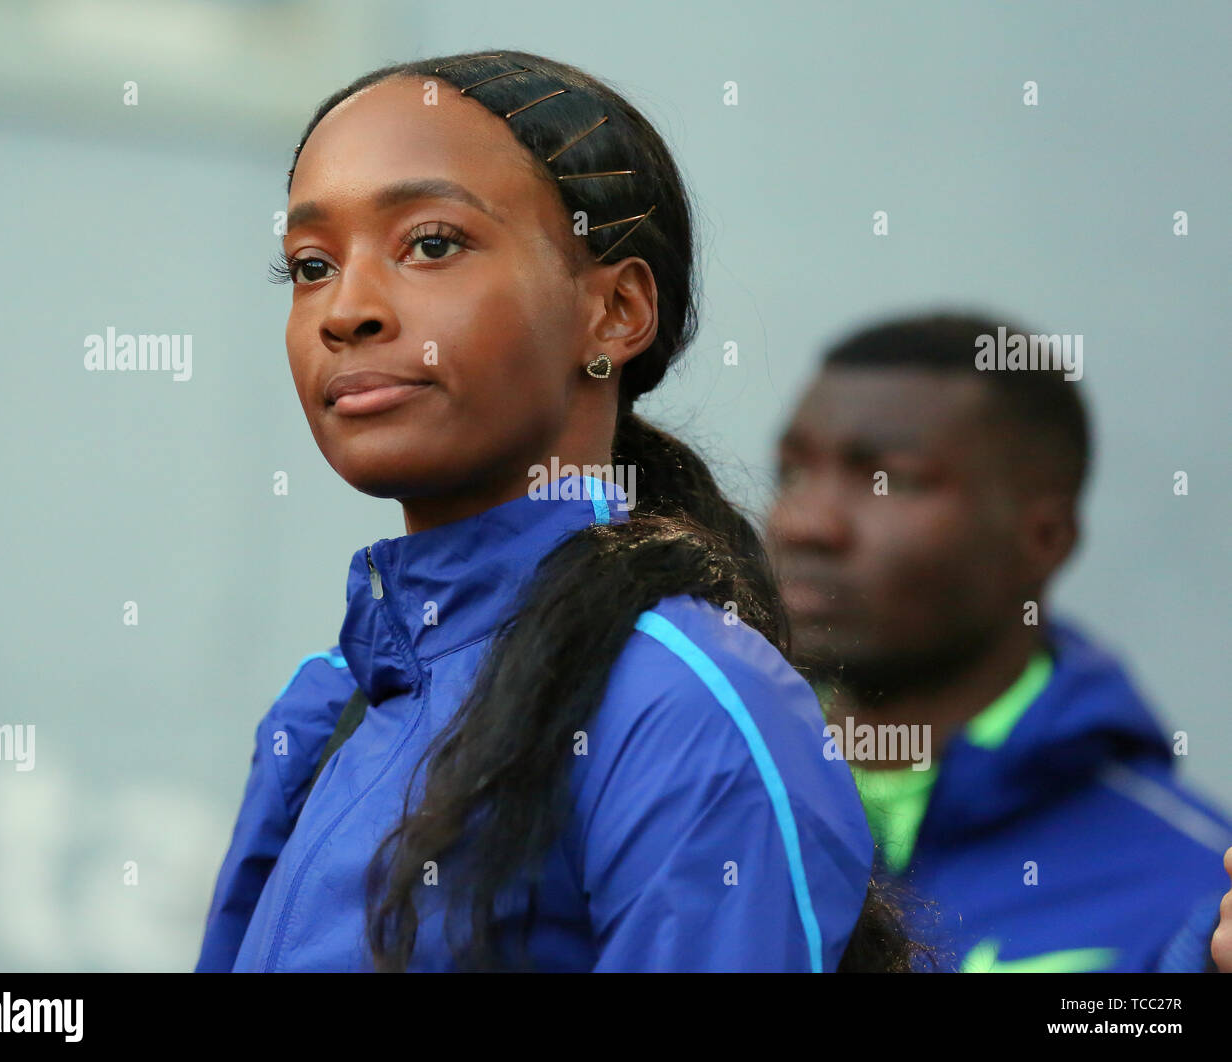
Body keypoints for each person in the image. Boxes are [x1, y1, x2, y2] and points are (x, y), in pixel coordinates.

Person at [195, 50, 918, 972]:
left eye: (430, 243)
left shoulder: (684, 703)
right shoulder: (328, 702)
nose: (348, 310)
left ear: (614, 311)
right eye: (310, 263)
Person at [764, 311, 1232, 972]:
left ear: (1043, 537)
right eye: (792, 472)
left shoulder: (1196, 900)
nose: (803, 522)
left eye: (888, 478)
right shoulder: (698, 797)